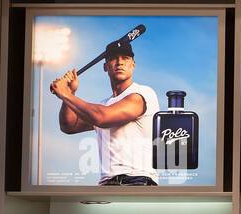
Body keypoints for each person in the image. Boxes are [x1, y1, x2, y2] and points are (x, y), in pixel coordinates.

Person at [50, 38, 159, 186]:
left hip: (137, 180)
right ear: (105, 66)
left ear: (133, 65)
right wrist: (70, 94)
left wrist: (65, 94)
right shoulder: (104, 105)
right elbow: (68, 126)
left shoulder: (142, 94)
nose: (120, 62)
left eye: (125, 58)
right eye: (114, 58)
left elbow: (102, 117)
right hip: (107, 183)